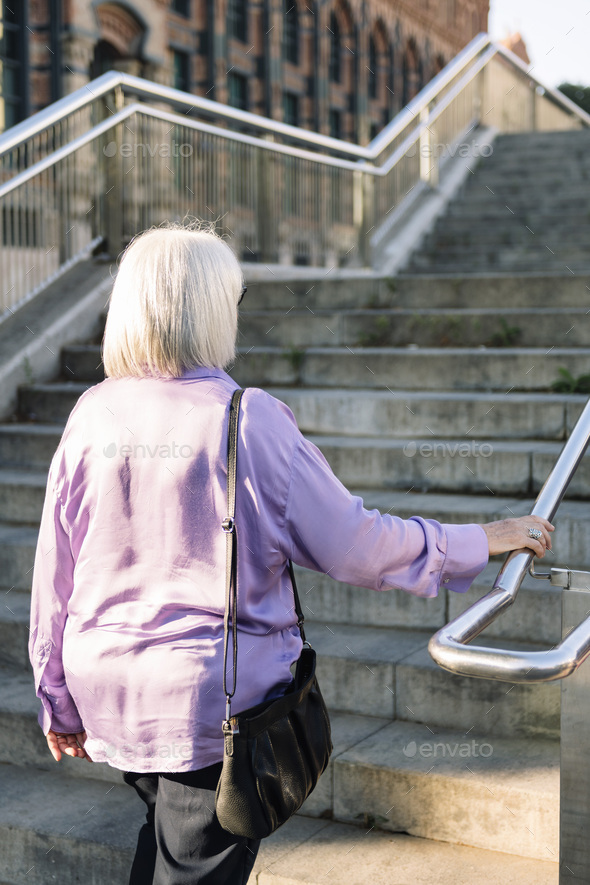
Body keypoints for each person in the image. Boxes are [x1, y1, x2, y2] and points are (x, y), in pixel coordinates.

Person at [29, 223, 553, 885]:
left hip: (110, 691)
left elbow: (54, 575)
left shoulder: (91, 414)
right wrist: (478, 539)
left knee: (170, 843)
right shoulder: (247, 418)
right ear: (212, 308)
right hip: (209, 706)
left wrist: (56, 697)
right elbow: (359, 546)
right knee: (194, 860)